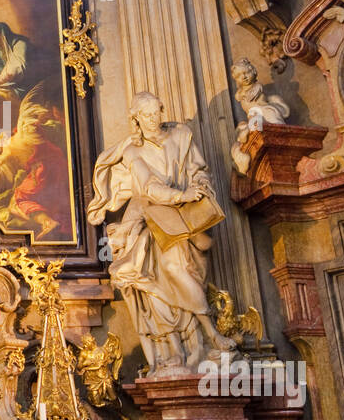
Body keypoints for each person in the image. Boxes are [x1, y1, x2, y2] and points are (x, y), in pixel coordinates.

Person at [87, 92, 235, 375]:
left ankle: (198, 347)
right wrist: (182, 194)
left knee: (185, 274)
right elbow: (149, 188)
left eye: (157, 112)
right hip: (157, 220)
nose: (155, 119)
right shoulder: (133, 151)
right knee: (168, 270)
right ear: (136, 120)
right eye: (147, 115)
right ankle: (208, 333)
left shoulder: (181, 134)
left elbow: (198, 169)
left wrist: (200, 186)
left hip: (190, 217)